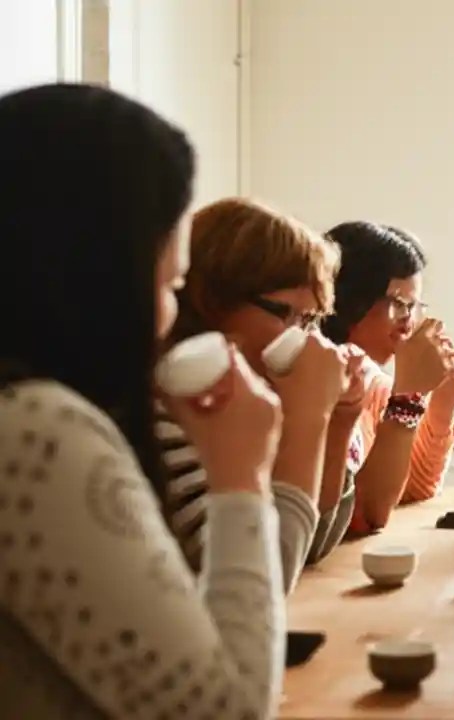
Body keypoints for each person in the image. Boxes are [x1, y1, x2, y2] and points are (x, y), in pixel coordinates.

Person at [0, 83, 285, 717]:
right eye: (168, 284)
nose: (167, 316)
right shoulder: (38, 430)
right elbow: (224, 711)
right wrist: (240, 477)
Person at [163, 197, 369, 586]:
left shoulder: (246, 403)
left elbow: (311, 543)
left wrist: (338, 421)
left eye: (310, 320)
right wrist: (307, 418)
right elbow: (263, 578)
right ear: (212, 301)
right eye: (285, 313)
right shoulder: (175, 411)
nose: (302, 337)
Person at [322, 222, 454, 534]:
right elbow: (365, 515)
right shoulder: (318, 377)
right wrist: (409, 397)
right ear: (349, 298)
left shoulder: (374, 380)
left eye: (414, 307)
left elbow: (413, 488)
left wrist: (442, 399)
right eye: (399, 303)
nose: (408, 322)